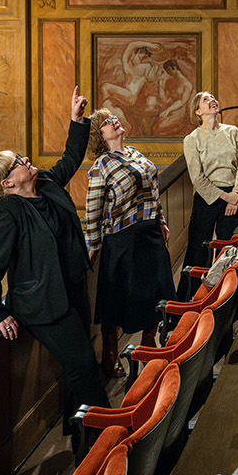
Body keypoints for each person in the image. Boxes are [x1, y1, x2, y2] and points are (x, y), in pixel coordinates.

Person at [0, 86, 109, 424]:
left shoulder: (46, 182)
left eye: (21, 157)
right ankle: (108, 435)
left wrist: (76, 120)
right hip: (43, 304)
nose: (25, 161)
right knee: (84, 365)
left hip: (72, 287)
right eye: (17, 164)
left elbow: (70, 159)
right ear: (6, 183)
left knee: (79, 365)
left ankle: (80, 434)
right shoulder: (6, 213)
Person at [84, 108, 176, 378]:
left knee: (157, 291)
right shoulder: (101, 165)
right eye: (106, 122)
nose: (114, 121)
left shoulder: (134, 153)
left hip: (150, 233)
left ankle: (149, 345)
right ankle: (109, 356)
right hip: (122, 239)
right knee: (116, 298)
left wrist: (161, 220)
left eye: (113, 117)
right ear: (99, 136)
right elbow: (93, 211)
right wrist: (92, 246)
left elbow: (153, 192)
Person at [182, 91, 238, 281]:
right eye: (206, 99)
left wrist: (236, 196)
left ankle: (224, 290)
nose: (212, 100)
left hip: (233, 195)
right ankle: (191, 293)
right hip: (207, 197)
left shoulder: (232, 131)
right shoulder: (192, 139)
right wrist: (226, 197)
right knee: (198, 249)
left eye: (213, 98)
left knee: (227, 249)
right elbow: (197, 178)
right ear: (198, 111)